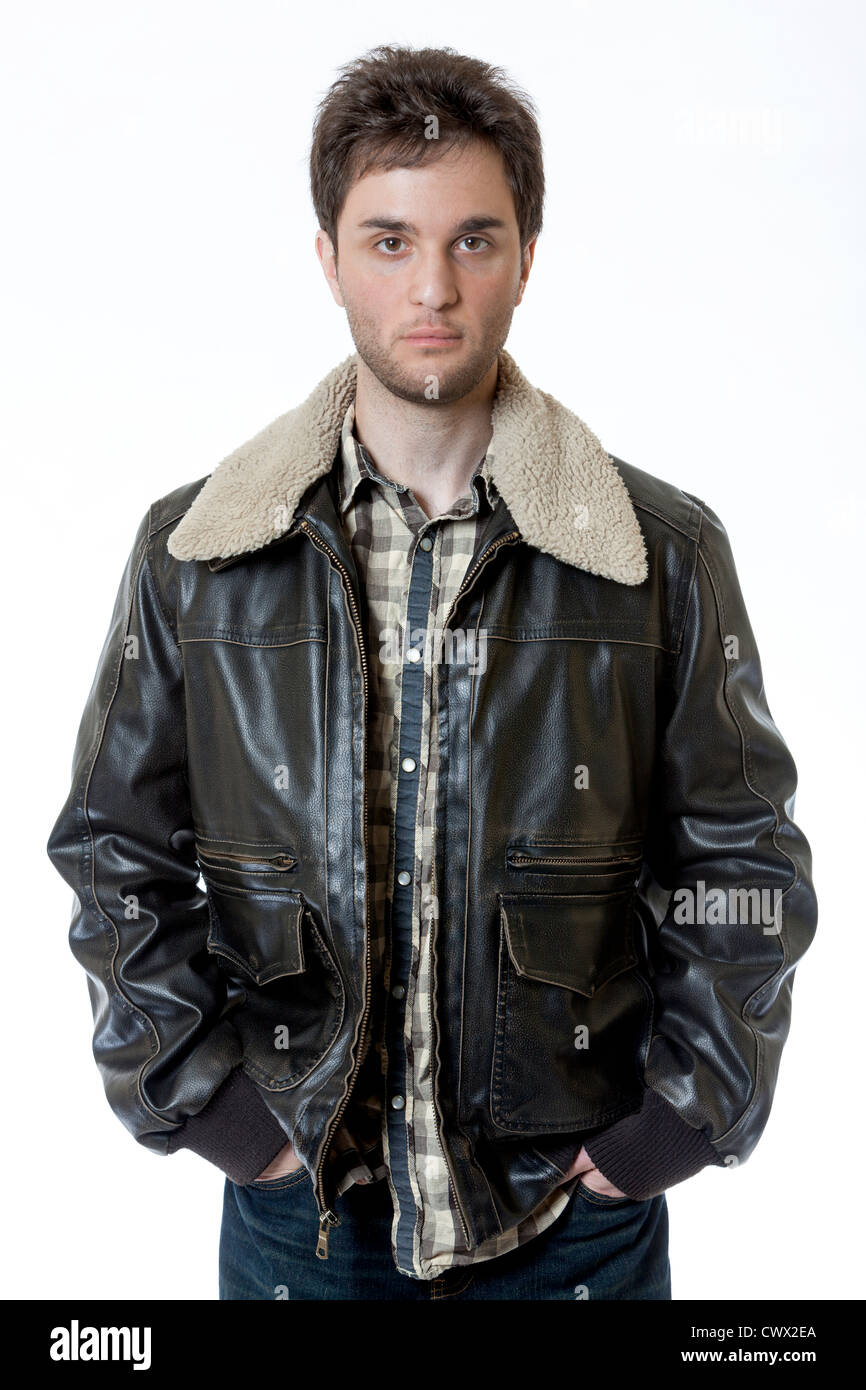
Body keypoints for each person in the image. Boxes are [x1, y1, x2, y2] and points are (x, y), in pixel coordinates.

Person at [46, 44, 818, 1302]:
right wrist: (227, 1117)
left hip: (570, 1232)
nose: (434, 289)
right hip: (304, 1226)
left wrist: (669, 1127)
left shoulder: (657, 553)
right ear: (329, 258)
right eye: (389, 240)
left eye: (473, 239)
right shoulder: (198, 551)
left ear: (524, 257)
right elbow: (114, 853)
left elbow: (740, 863)